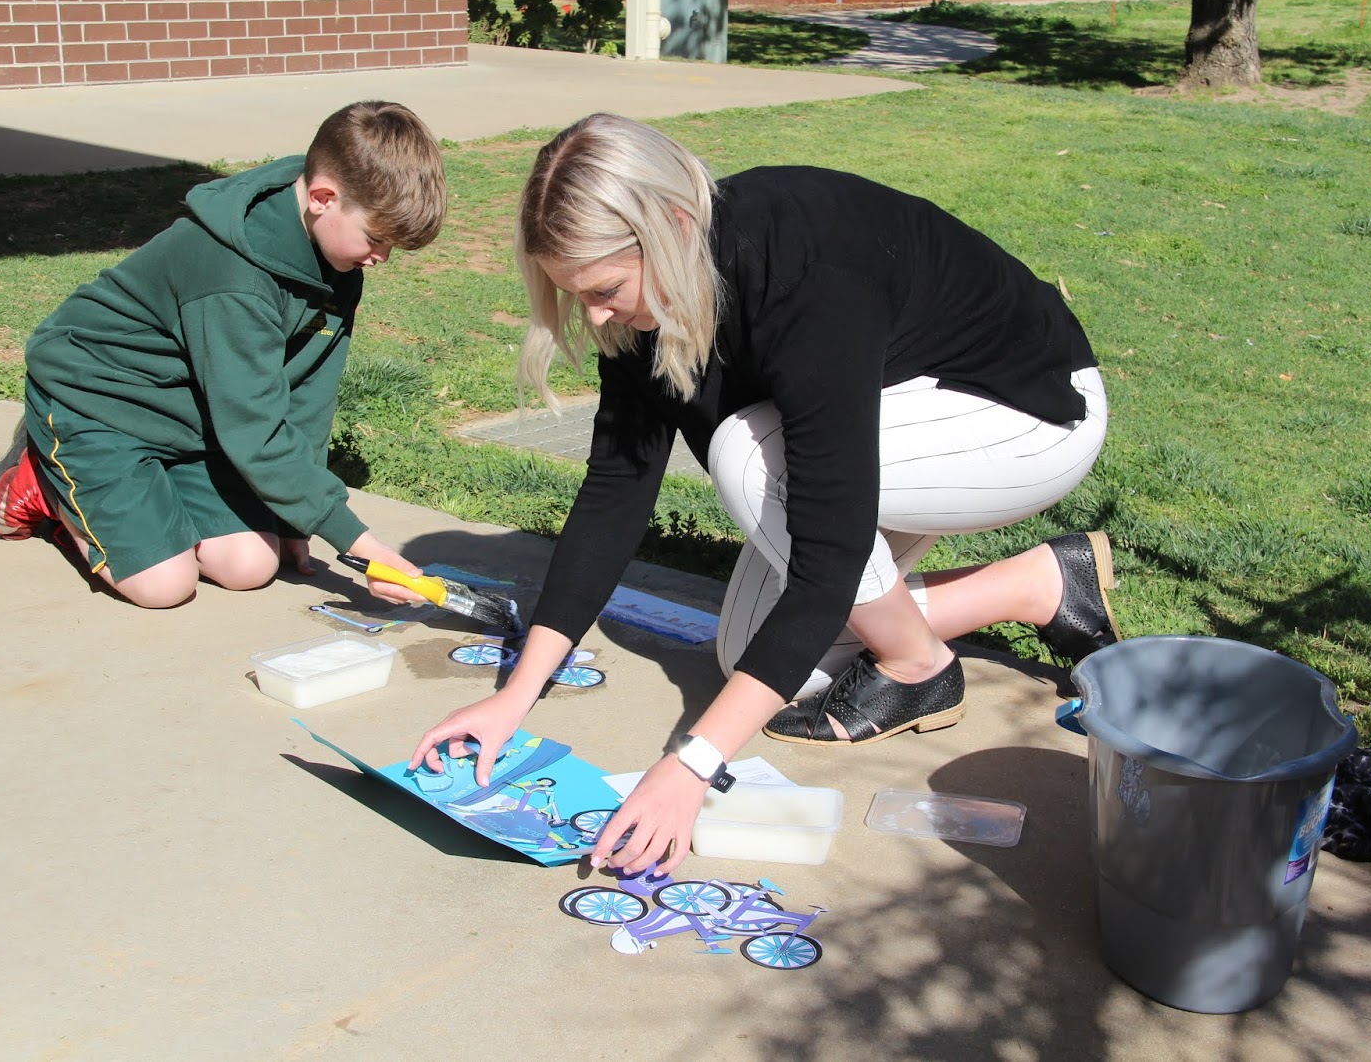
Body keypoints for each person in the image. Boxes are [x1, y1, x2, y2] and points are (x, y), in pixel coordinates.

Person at [409, 112, 1121, 875]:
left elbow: (829, 559)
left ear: (673, 226)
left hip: (1024, 413)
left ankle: (917, 665)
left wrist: (690, 767)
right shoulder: (652, 292)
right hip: (905, 407)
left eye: (607, 290)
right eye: (574, 295)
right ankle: (1038, 583)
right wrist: (514, 697)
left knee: (748, 460)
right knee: (753, 657)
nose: (595, 317)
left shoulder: (803, 278)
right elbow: (617, 489)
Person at [0, 100, 447, 609]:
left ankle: (150, 497)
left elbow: (308, 393)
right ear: (322, 197)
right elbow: (253, 428)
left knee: (251, 566)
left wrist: (299, 519)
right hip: (100, 404)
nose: (380, 258)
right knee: (164, 585)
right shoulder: (234, 281)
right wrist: (362, 547)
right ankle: (40, 477)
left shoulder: (336, 259)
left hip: (194, 418)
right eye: (377, 238)